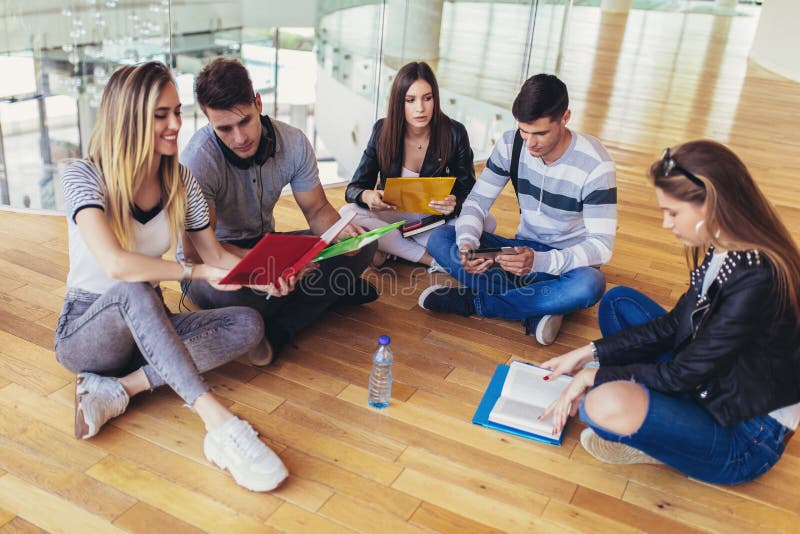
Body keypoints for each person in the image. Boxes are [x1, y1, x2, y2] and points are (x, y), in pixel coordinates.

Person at [55, 61, 290, 492]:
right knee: (132, 288)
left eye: (177, 112)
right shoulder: (82, 175)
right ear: (129, 117)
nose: (176, 124)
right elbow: (116, 264)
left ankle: (118, 389)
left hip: (150, 325)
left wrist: (258, 275)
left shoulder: (181, 181)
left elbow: (214, 254)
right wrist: (195, 270)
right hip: (88, 329)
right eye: (161, 115)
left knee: (248, 324)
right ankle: (221, 427)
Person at [540, 140, 800, 484]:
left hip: (746, 437)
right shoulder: (726, 244)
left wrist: (595, 375)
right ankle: (657, 414)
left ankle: (657, 438)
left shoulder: (756, 275)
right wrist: (586, 353)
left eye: (673, 213)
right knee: (619, 304)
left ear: (710, 204)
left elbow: (682, 374)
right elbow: (676, 323)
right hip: (716, 380)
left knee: (597, 406)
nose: (665, 224)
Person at [180, 58, 378, 361]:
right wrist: (264, 269)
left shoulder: (294, 142)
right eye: (224, 129)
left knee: (366, 243)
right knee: (235, 296)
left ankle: (284, 317)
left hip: (266, 245)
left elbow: (316, 210)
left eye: (244, 120)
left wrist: (340, 234)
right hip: (213, 263)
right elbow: (197, 256)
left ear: (258, 103)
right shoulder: (198, 160)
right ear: (208, 121)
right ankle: (322, 297)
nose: (239, 137)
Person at [421, 73, 617, 345]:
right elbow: (476, 203)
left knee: (590, 285)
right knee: (440, 239)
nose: (530, 143)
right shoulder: (512, 144)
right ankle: (542, 304)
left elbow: (602, 247)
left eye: (540, 133)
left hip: (566, 262)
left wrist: (539, 261)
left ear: (566, 117)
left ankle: (479, 303)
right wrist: (468, 244)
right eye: (524, 132)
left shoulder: (595, 165)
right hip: (518, 250)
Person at [342, 61, 495, 269]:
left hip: (433, 218)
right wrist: (367, 196)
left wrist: (454, 202)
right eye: (410, 100)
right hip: (393, 213)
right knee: (346, 214)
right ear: (399, 102)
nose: (420, 108)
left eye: (427, 98)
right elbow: (354, 188)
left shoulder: (454, 132)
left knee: (488, 221)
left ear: (435, 99)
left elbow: (468, 191)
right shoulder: (382, 131)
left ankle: (393, 247)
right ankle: (430, 259)